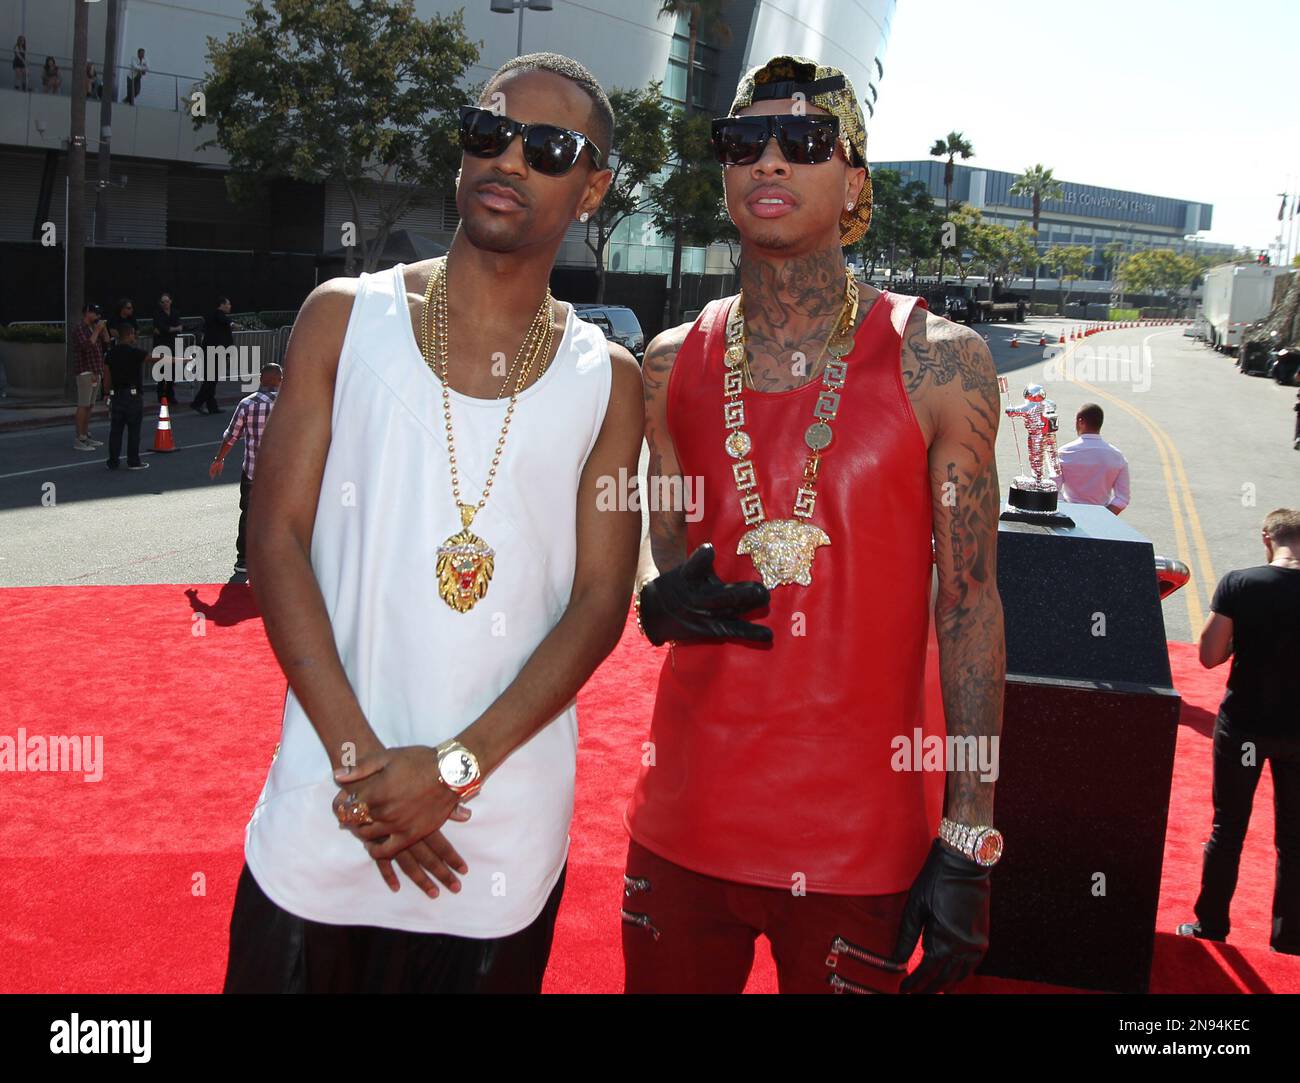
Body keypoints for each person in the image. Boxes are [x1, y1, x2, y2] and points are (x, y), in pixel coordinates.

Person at [222, 52, 642, 994]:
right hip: (326, 806)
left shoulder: (607, 379)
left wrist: (453, 768)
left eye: (549, 147)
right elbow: (275, 542)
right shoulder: (342, 318)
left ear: (593, 188)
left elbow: (602, 601)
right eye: (488, 132)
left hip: (493, 837)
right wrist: (359, 764)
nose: (510, 159)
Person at [623, 55, 1006, 995]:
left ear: (855, 181)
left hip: (858, 843)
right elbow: (671, 557)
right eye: (743, 141)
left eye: (804, 141)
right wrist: (655, 598)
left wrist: (970, 833)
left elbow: (969, 603)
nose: (769, 161)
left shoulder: (941, 362)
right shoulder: (669, 362)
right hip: (684, 822)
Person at [1178, 508, 1300, 955]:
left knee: (1228, 828)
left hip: (1245, 724)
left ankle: (1210, 925)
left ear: (1267, 537)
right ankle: (1289, 940)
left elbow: (1209, 656)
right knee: (1294, 838)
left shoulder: (1240, 583)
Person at [209, 363, 283, 576]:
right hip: (281, 474)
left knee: (248, 514)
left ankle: (243, 560)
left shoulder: (247, 404)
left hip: (252, 471)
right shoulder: (289, 404)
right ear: (280, 379)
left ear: (261, 379)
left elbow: (231, 436)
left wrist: (218, 459)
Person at [1051, 402, 1130, 514]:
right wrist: (1103, 517)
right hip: (1101, 519)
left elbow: (1052, 490)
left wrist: (1069, 513)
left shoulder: (1064, 453)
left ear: (1080, 421)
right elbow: (1122, 499)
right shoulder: (1117, 457)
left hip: (1070, 517)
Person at [103, 324, 151, 471]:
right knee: (134, 429)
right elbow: (153, 359)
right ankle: (133, 460)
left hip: (116, 394)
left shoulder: (110, 353)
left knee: (116, 430)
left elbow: (107, 375)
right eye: (134, 335)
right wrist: (180, 359)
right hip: (132, 394)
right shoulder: (135, 352)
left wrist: (106, 393)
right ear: (129, 335)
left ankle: (113, 461)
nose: (135, 337)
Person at [71, 304, 110, 451]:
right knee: (83, 404)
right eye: (95, 313)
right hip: (85, 371)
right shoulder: (79, 328)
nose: (97, 316)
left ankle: (85, 434)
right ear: (87, 312)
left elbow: (106, 341)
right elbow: (86, 346)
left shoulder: (94, 328)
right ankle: (79, 438)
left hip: (96, 370)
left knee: (90, 405)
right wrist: (97, 330)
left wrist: (102, 329)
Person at [194, 297, 235, 415]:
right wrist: (232, 323)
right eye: (228, 304)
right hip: (214, 352)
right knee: (211, 380)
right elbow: (222, 319)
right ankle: (197, 402)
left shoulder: (215, 316)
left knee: (211, 380)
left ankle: (212, 406)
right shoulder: (217, 314)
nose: (230, 306)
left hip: (213, 351)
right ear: (222, 305)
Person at [152, 291, 183, 405]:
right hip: (161, 345)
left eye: (167, 301)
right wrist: (172, 329)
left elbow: (179, 326)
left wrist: (171, 329)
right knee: (162, 371)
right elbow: (162, 328)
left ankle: (171, 395)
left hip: (172, 344)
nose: (165, 303)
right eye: (163, 302)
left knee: (172, 372)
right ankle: (161, 396)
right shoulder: (157, 314)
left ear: (171, 301)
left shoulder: (175, 313)